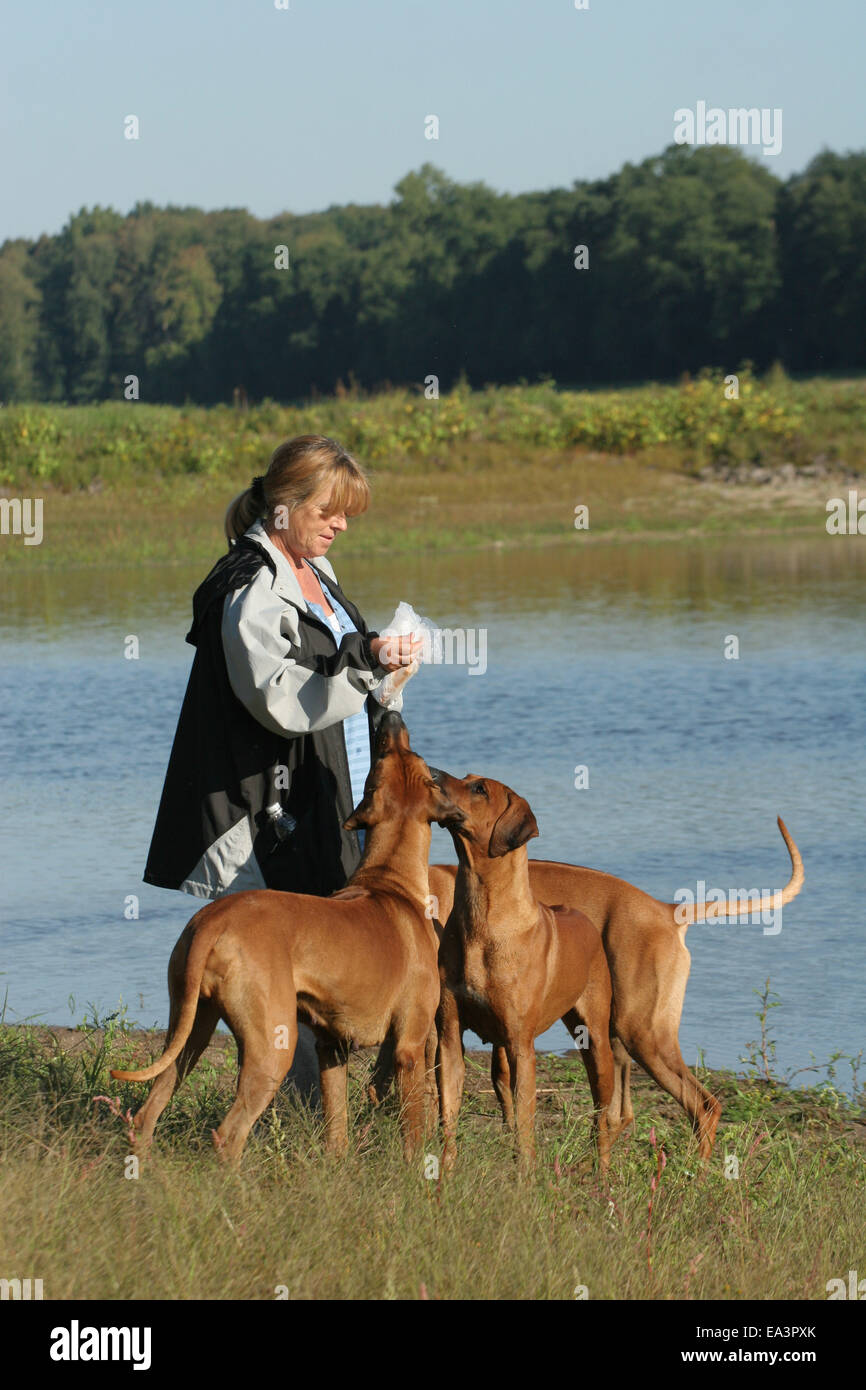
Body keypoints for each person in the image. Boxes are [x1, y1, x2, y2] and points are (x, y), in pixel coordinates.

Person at [143, 434, 422, 1092]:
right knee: (283, 986)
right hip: (266, 815)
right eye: (329, 510)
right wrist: (365, 659)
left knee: (319, 969)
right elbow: (282, 702)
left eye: (348, 512)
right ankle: (287, 1142)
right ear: (283, 508)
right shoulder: (249, 590)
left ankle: (320, 1136)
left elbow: (341, 682)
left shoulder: (315, 574)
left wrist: (387, 681)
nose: (342, 524)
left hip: (324, 801)